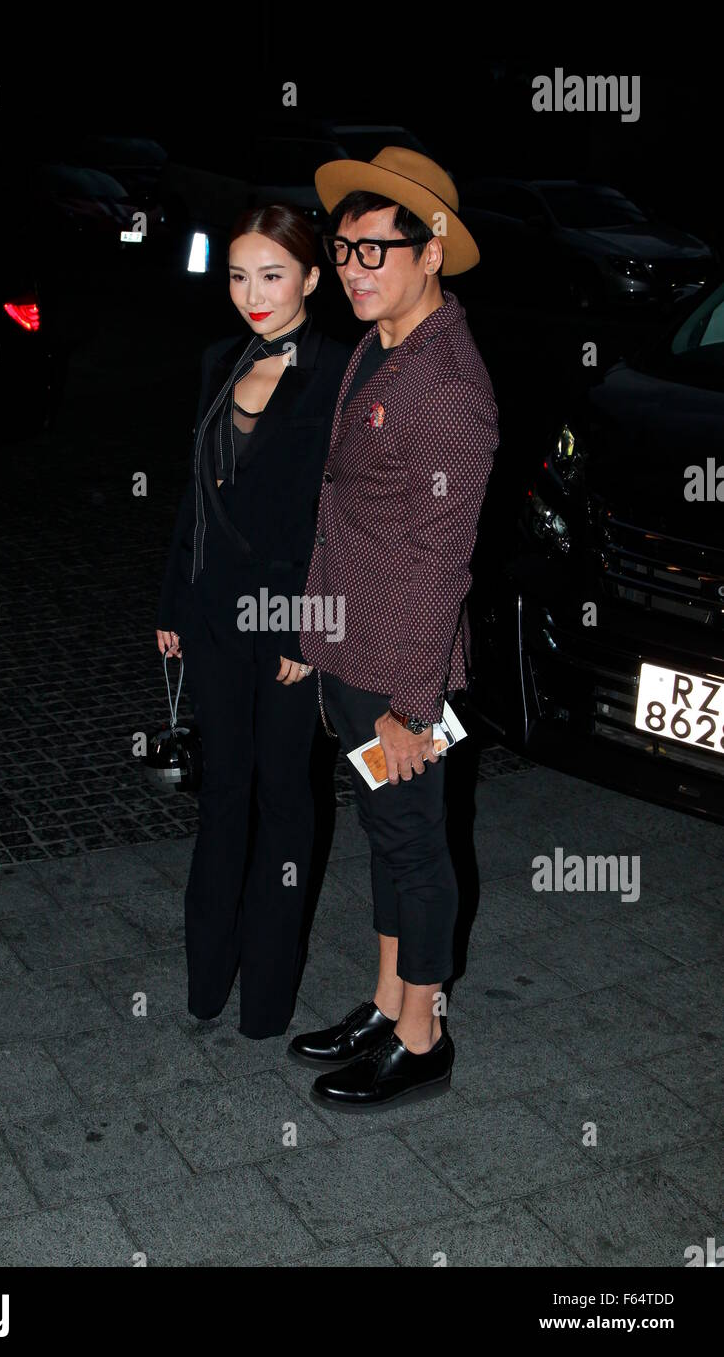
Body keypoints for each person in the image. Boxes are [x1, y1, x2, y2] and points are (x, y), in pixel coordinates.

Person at [287, 148, 500, 1109]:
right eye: (344, 250)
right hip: (355, 647)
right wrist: (312, 632)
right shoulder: (385, 347)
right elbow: (346, 510)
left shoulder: (447, 389)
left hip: (405, 674)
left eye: (380, 248)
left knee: (414, 844)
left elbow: (436, 564)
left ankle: (423, 1041)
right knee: (388, 834)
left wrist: (413, 711)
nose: (356, 268)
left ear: (434, 251)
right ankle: (386, 1000)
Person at [155, 203, 349, 1040]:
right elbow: (195, 494)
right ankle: (206, 983)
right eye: (238, 275)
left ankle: (266, 1001)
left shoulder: (346, 372)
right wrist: (171, 602)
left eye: (273, 274)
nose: (253, 294)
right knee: (220, 796)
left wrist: (313, 629)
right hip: (209, 620)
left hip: (289, 628)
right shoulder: (216, 361)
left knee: (285, 801)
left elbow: (348, 517)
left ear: (311, 278)